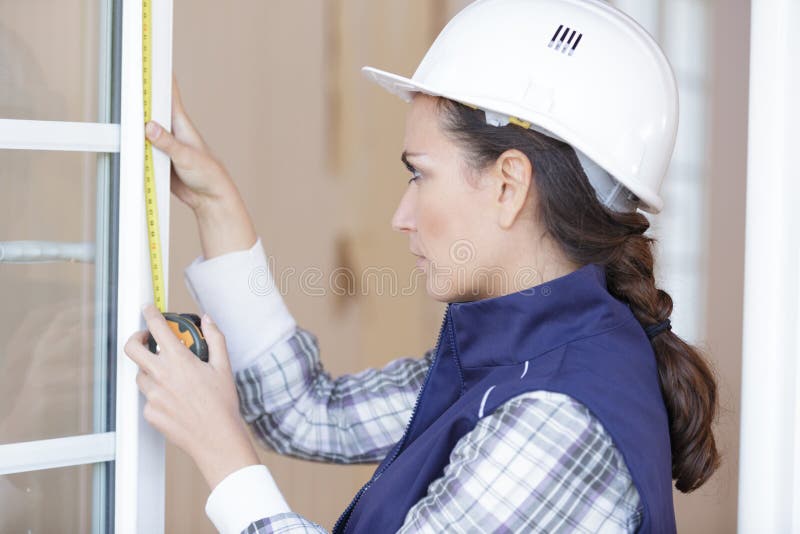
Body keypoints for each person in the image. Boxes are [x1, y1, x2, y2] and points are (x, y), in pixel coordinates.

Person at [124, 0, 720, 532]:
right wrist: (216, 206)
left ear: (509, 185)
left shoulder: (557, 421)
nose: (402, 215)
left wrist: (224, 458)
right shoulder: (512, 359)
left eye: (419, 174)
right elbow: (308, 413)